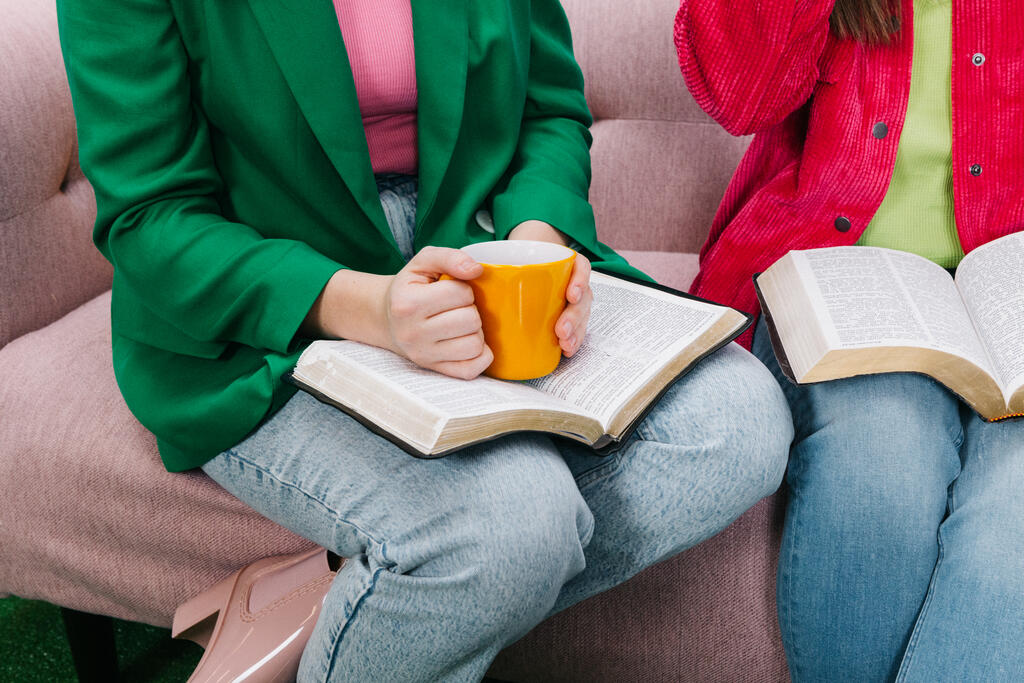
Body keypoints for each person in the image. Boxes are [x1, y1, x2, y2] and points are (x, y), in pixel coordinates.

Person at [58, 0, 792, 680]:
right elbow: (149, 217)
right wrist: (368, 307)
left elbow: (549, 106)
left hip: (471, 258)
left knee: (741, 422)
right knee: (508, 528)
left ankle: (373, 592)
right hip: (267, 306)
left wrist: (538, 241)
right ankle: (421, 586)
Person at [676, 0, 1024, 680]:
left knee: (1012, 527)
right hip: (840, 288)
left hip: (1007, 293)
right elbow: (739, 96)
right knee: (880, 478)